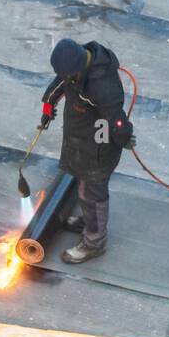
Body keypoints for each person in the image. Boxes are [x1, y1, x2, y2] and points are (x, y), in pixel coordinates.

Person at [40, 38, 134, 263]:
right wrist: (47, 106)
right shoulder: (76, 64)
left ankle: (94, 242)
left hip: (99, 145)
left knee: (91, 192)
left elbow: (117, 122)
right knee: (84, 188)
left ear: (79, 68)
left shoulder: (103, 87)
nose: (66, 79)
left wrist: (123, 138)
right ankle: (90, 222)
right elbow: (59, 84)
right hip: (81, 136)